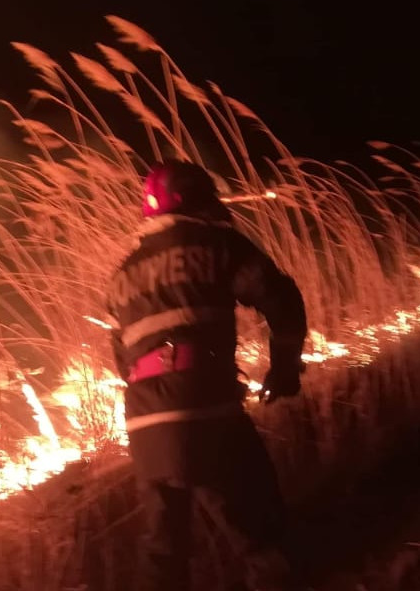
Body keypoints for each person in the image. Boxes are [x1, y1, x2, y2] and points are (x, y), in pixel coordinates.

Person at [102, 159, 310, 591]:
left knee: (163, 551)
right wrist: (284, 368)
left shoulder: (121, 275)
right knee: (257, 523)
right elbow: (282, 300)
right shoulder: (218, 244)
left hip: (143, 420)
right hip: (205, 406)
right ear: (200, 200)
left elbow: (121, 359)